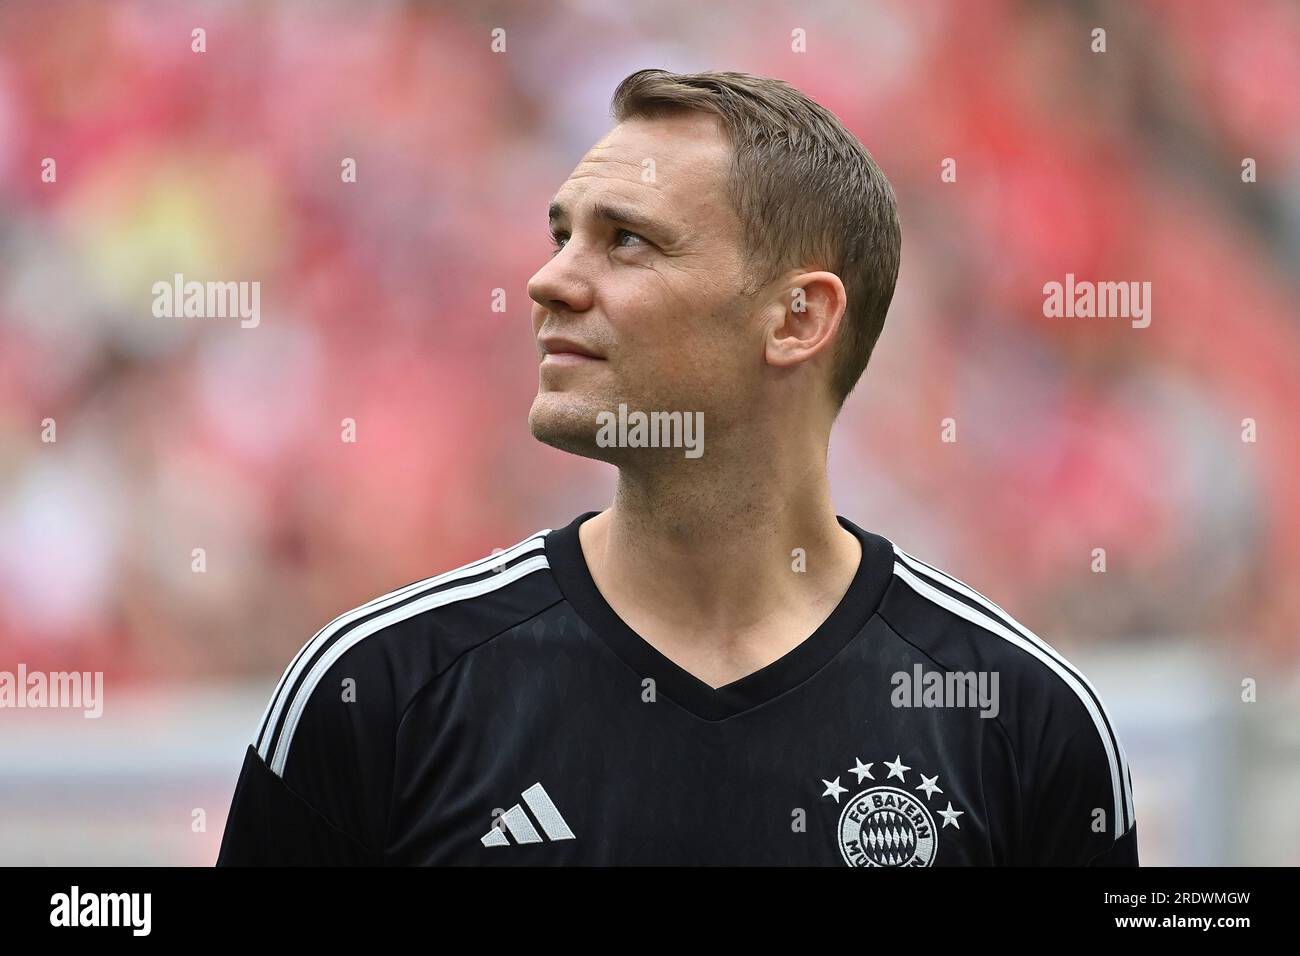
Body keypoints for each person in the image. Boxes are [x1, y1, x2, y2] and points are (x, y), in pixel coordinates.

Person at [217, 69, 1136, 866]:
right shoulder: (377, 689)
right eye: (560, 235)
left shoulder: (1019, 720)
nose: (549, 281)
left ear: (797, 320)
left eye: (627, 241)